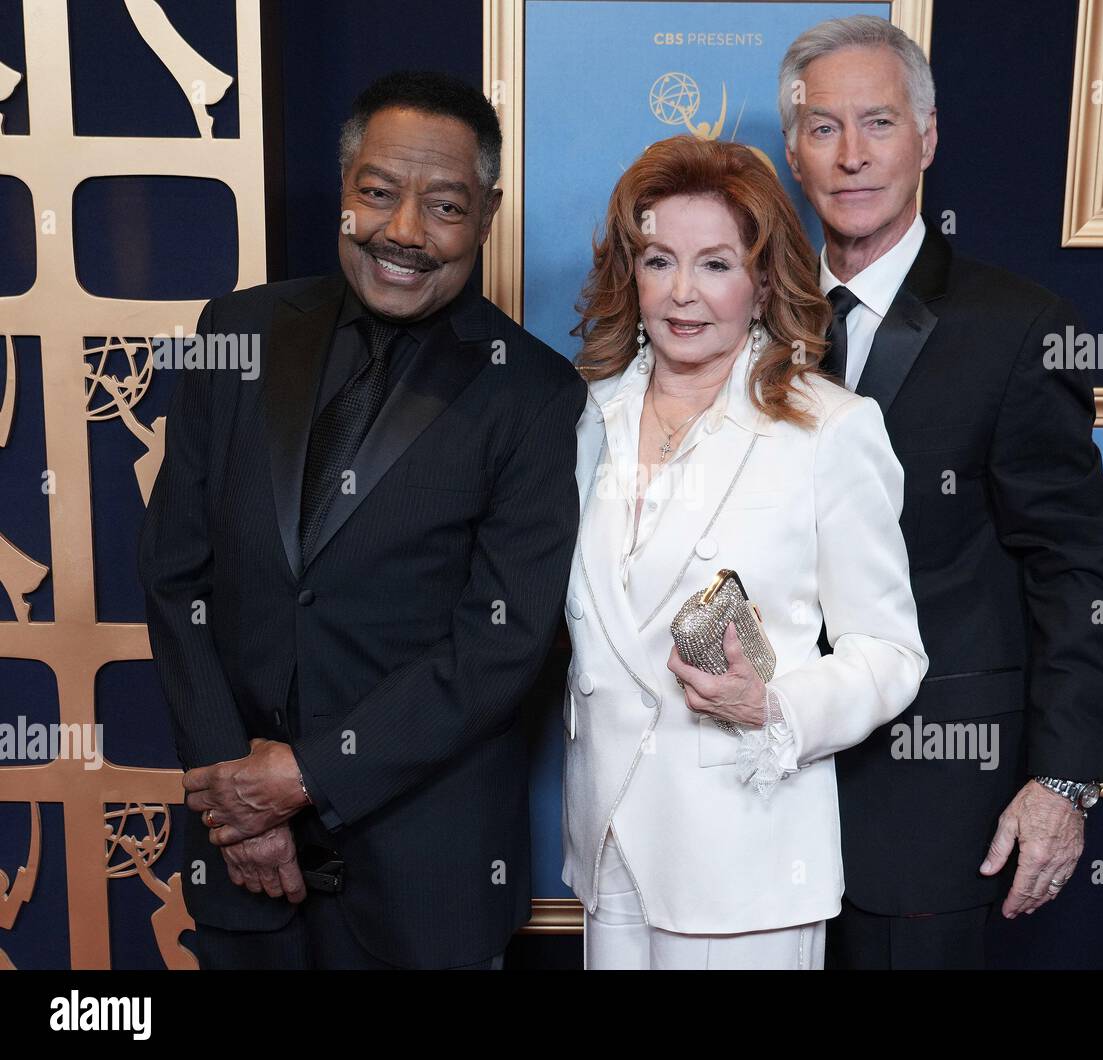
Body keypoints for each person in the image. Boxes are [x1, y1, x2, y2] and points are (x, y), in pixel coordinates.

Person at [137, 70, 586, 969]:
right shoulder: (238, 332)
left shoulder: (534, 392)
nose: (405, 232)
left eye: (444, 204)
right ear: (346, 193)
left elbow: (504, 644)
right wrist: (241, 806)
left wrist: (301, 778)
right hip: (241, 866)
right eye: (378, 194)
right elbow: (174, 577)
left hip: (428, 879)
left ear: (487, 213)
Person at [778, 16, 1103, 969]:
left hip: (935, 804)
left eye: (879, 123)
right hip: (755, 797)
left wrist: (1063, 779)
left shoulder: (1019, 327)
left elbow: (1074, 568)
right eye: (823, 127)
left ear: (928, 138)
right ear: (793, 150)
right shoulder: (745, 322)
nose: (852, 155)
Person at [561, 135, 928, 970]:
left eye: (717, 265)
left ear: (763, 282)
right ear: (632, 272)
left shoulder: (828, 428)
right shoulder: (585, 419)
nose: (683, 293)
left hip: (747, 854)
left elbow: (891, 652)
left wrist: (774, 707)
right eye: (659, 260)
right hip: (607, 844)